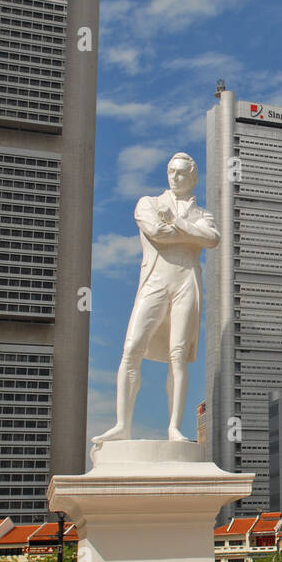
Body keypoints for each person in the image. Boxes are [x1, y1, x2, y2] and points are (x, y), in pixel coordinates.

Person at [93, 153, 220, 442]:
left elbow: (213, 238)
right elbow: (157, 232)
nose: (175, 177)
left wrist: (177, 222)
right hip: (155, 281)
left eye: (181, 173)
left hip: (186, 282)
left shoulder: (203, 214)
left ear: (193, 177)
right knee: (132, 347)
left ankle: (174, 426)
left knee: (178, 355)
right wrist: (191, 234)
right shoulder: (148, 203)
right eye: (172, 172)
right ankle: (122, 425)